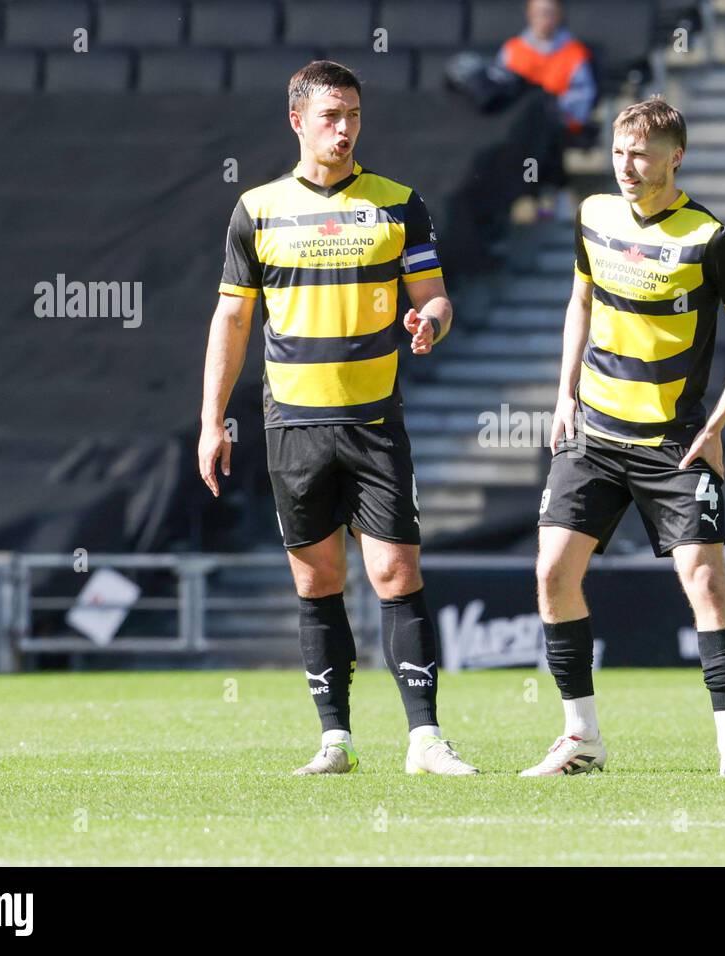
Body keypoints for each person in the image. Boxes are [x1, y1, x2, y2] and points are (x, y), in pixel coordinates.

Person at [198, 60, 478, 776]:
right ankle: (336, 740)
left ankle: (425, 739)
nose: (345, 128)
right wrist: (212, 419)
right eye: (331, 116)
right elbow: (232, 318)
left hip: (374, 422)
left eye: (353, 114)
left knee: (394, 570)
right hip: (293, 424)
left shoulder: (398, 203)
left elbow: (438, 297)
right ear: (297, 121)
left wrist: (430, 325)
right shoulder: (257, 209)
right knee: (317, 580)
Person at [522, 96, 725, 779]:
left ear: (675, 157)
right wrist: (563, 394)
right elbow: (582, 299)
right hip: (595, 432)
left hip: (676, 443)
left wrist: (718, 422)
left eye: (641, 154)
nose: (627, 167)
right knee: (553, 572)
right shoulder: (593, 215)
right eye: (618, 152)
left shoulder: (710, 238)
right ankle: (581, 737)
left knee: (704, 579)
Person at [499, 0, 597, 218]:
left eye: (549, 13)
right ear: (529, 15)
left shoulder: (574, 53)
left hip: (559, 120)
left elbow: (583, 94)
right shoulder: (512, 50)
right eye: (539, 13)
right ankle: (548, 189)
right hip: (520, 123)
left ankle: (536, 193)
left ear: (559, 15)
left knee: (545, 128)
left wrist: (554, 107)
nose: (544, 19)